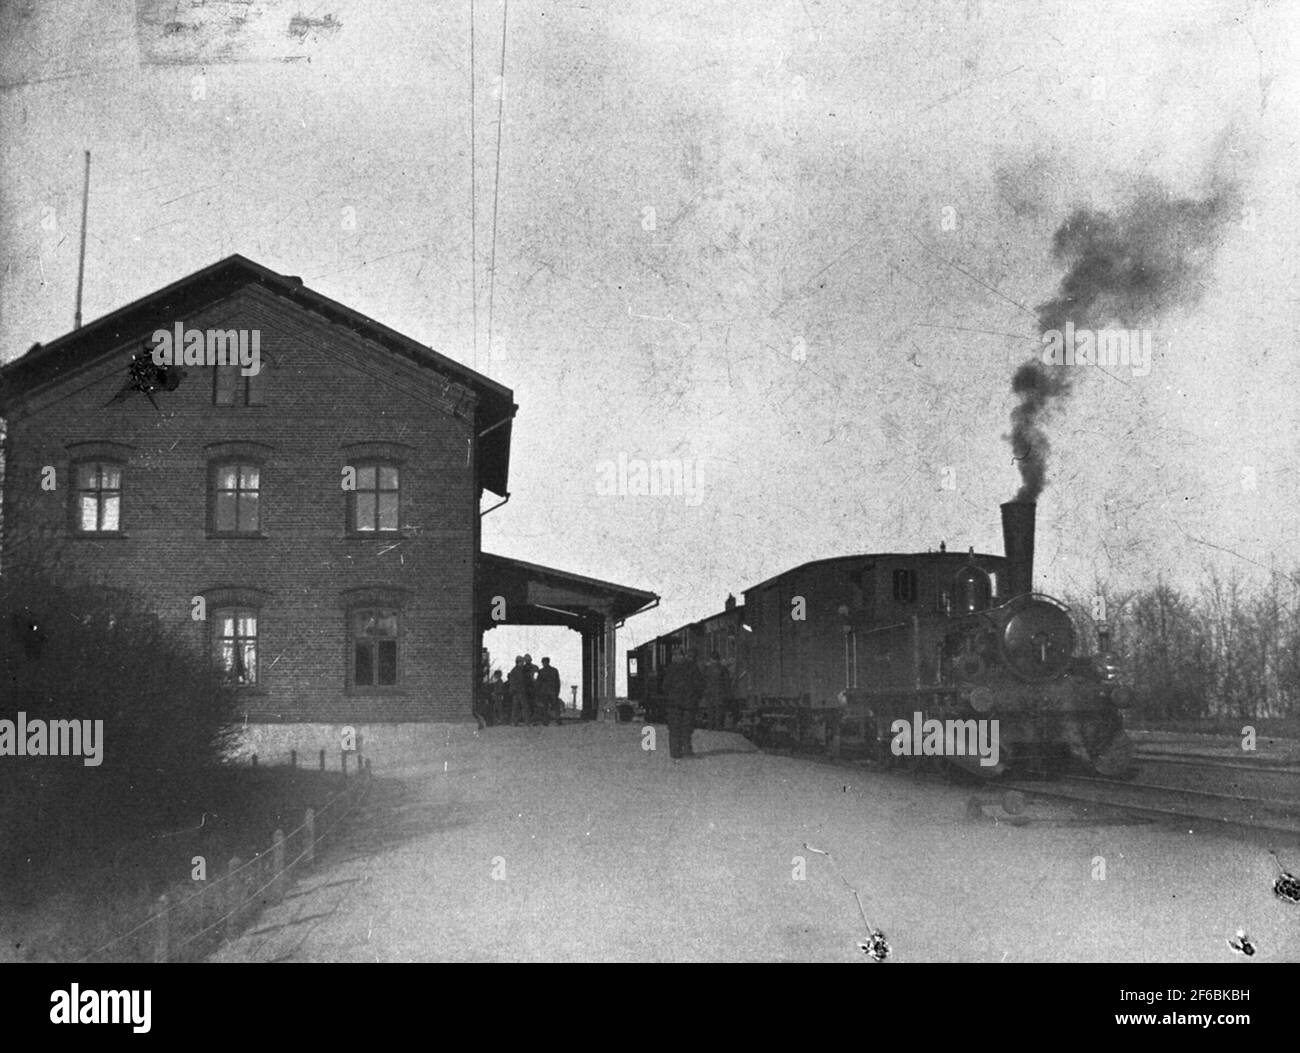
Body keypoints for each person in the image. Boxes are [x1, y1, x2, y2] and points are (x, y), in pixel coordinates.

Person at [660, 647, 703, 760]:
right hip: (688, 704)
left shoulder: (671, 669)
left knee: (674, 729)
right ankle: (687, 750)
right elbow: (699, 685)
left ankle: (675, 752)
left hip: (674, 704)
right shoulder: (693, 667)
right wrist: (696, 698)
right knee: (687, 728)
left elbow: (665, 686)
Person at [702, 651, 731, 731]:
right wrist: (728, 694)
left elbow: (703, 681)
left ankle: (710, 727)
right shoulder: (723, 669)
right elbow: (727, 682)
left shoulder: (707, 669)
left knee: (710, 711)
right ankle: (718, 728)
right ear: (719, 659)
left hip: (709, 694)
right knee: (719, 712)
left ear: (711, 659)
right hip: (720, 694)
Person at [536, 657, 562, 724]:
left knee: (545, 707)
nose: (544, 664)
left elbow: (538, 683)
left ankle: (545, 721)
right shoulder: (554, 670)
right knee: (555, 706)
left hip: (545, 692)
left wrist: (538, 693)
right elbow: (558, 682)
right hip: (552, 691)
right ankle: (557, 719)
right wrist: (557, 691)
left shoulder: (541, 671)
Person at [508, 655, 531, 726]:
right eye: (522, 662)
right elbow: (513, 682)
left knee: (518, 708)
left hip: (518, 692)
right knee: (521, 707)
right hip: (519, 692)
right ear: (518, 662)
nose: (523, 663)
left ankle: (517, 722)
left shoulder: (516, 670)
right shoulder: (518, 670)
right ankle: (523, 722)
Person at [523, 653, 542, 726]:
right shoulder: (523, 668)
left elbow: (537, 677)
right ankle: (529, 719)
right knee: (527, 705)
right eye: (526, 660)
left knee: (534, 704)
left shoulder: (535, 667)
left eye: (528, 659)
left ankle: (534, 719)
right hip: (526, 689)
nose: (527, 661)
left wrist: (535, 683)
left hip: (534, 688)